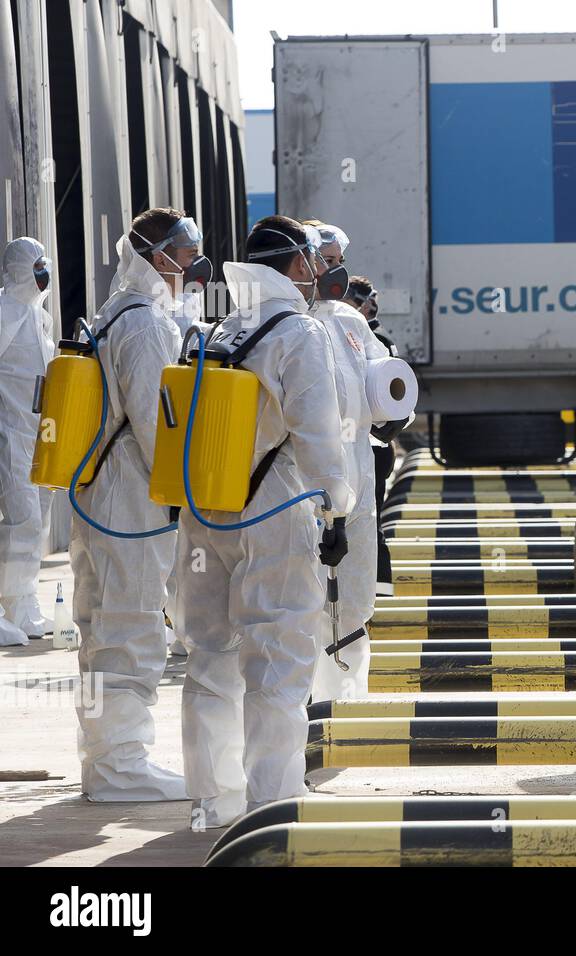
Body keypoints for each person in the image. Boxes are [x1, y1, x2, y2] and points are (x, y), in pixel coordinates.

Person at [178, 216, 354, 827]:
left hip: (206, 509)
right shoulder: (297, 331)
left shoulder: (225, 324)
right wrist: (337, 502)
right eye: (311, 258)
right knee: (279, 653)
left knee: (211, 654)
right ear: (298, 263)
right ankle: (272, 802)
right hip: (273, 509)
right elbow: (316, 429)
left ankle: (212, 800)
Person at [69, 209, 203, 801]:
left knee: (98, 633)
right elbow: (156, 424)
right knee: (131, 628)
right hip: (131, 502)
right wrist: (189, 495)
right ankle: (122, 768)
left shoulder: (114, 310)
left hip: (98, 496)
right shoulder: (146, 324)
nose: (194, 265)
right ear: (158, 256)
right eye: (186, 252)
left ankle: (103, 761)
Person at [301, 221, 400, 700]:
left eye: (339, 260)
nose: (335, 271)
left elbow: (382, 380)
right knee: (302, 597)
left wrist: (393, 409)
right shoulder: (279, 321)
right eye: (327, 260)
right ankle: (301, 708)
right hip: (299, 484)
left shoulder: (349, 322)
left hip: (356, 475)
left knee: (355, 595)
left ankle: (344, 700)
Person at [0, 238, 56, 644]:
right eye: (36, 268)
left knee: (37, 518)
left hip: (38, 431)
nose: (43, 276)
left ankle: (21, 599)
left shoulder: (40, 316)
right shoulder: (3, 312)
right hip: (9, 431)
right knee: (22, 519)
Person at [346, 274, 399, 598]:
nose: (368, 306)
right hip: (352, 444)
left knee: (368, 522)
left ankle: (378, 593)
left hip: (372, 445)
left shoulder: (375, 342)